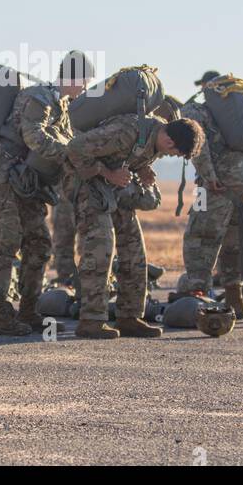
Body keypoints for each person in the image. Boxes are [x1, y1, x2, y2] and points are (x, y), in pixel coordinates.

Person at [0, 51, 91, 336]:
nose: (86, 89)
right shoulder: (39, 97)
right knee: (7, 239)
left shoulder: (61, 106)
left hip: (28, 181)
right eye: (85, 82)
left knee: (39, 244)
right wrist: (69, 154)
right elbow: (33, 135)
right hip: (2, 171)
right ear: (73, 78)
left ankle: (29, 309)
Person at [66, 110, 204, 339]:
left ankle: (129, 316)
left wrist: (140, 169)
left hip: (113, 187)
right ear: (169, 140)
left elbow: (126, 157)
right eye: (173, 152)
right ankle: (91, 319)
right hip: (84, 183)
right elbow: (74, 149)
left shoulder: (156, 136)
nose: (170, 156)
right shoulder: (126, 131)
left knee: (134, 250)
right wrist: (108, 173)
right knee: (102, 247)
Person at [176, 77, 243, 318]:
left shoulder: (194, 110)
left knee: (199, 236)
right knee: (232, 239)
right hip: (242, 178)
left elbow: (198, 147)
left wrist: (209, 177)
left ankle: (198, 298)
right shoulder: (235, 116)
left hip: (213, 183)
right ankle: (236, 297)